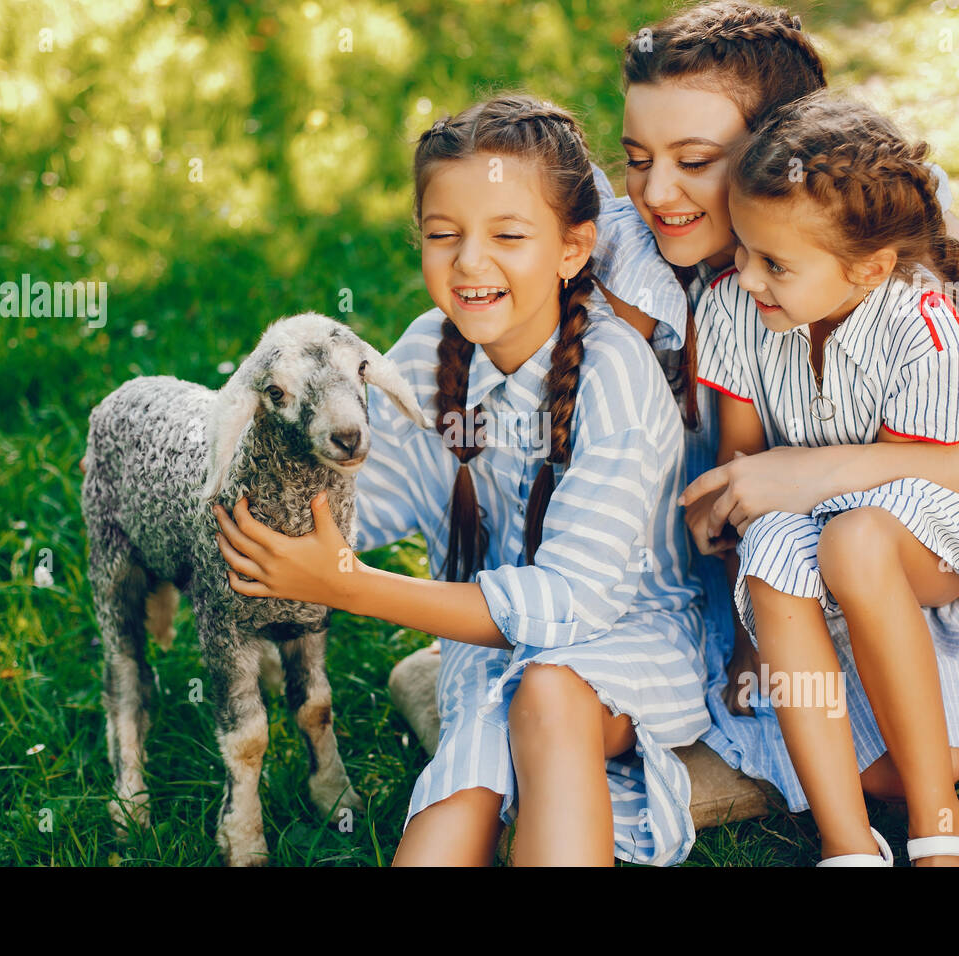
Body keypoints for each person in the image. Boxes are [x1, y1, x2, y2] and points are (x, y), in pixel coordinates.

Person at [589, 1, 959, 819]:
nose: (657, 191)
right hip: (799, 578)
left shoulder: (912, 247)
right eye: (637, 157)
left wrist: (818, 470)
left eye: (696, 160)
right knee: (868, 761)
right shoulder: (639, 268)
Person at [212, 94, 710, 866]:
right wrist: (236, 490)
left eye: (508, 235)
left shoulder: (613, 376)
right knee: (442, 832)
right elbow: (359, 497)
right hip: (488, 648)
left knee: (549, 692)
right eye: (444, 235)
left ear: (574, 247)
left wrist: (349, 584)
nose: (470, 261)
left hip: (627, 640)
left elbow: (571, 603)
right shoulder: (425, 351)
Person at [689, 92, 959, 865]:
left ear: (868, 269)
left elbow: (902, 495)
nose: (748, 276)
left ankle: (941, 819)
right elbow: (742, 452)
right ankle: (848, 841)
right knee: (778, 564)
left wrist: (792, 483)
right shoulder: (735, 307)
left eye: (776, 264)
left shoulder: (921, 321)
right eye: (744, 251)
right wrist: (731, 505)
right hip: (839, 540)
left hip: (945, 530)